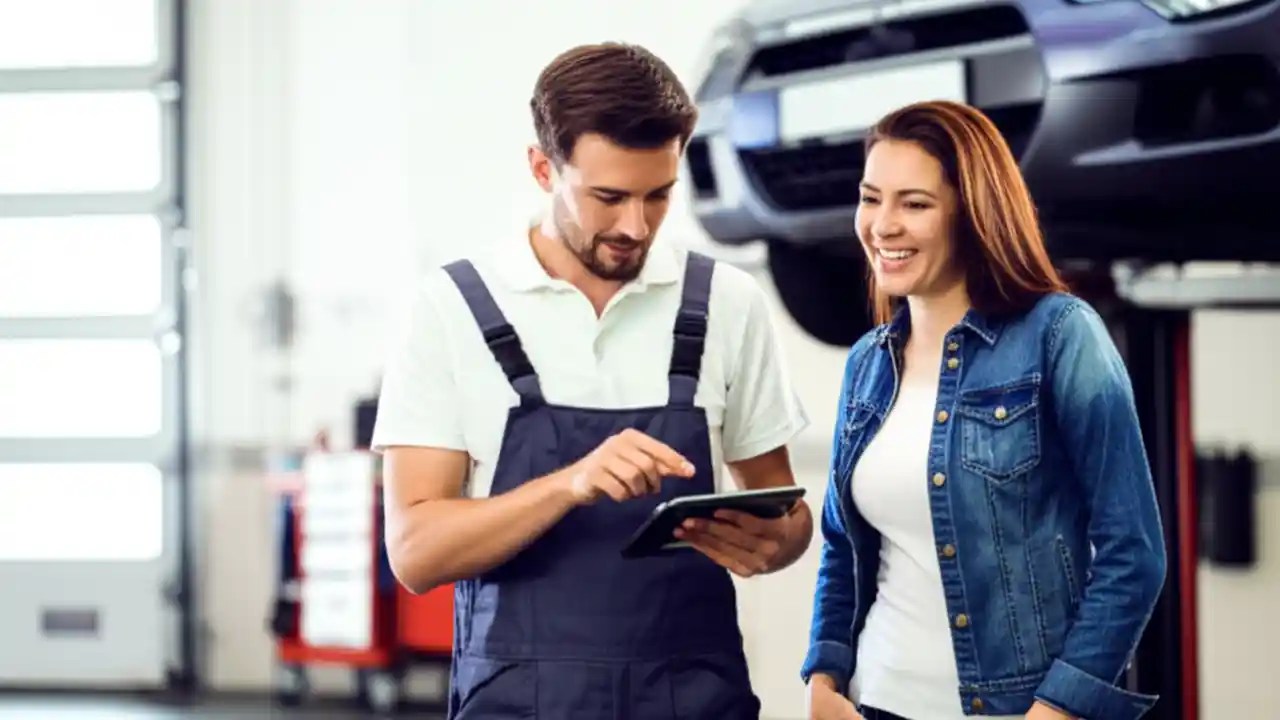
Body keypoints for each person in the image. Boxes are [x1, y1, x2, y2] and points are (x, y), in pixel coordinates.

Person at [373, 42, 813, 719]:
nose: (634, 226)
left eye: (658, 196)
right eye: (607, 197)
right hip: (517, 705)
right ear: (543, 168)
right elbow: (415, 553)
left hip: (695, 700)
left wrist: (772, 542)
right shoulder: (451, 308)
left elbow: (785, 517)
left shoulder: (727, 303)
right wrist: (567, 485)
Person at [802, 101, 1167, 720]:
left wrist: (1058, 708)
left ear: (973, 213)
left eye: (914, 204)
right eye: (871, 198)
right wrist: (823, 679)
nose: (882, 225)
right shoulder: (868, 361)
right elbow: (843, 545)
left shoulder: (1060, 336)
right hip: (874, 701)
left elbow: (1134, 554)